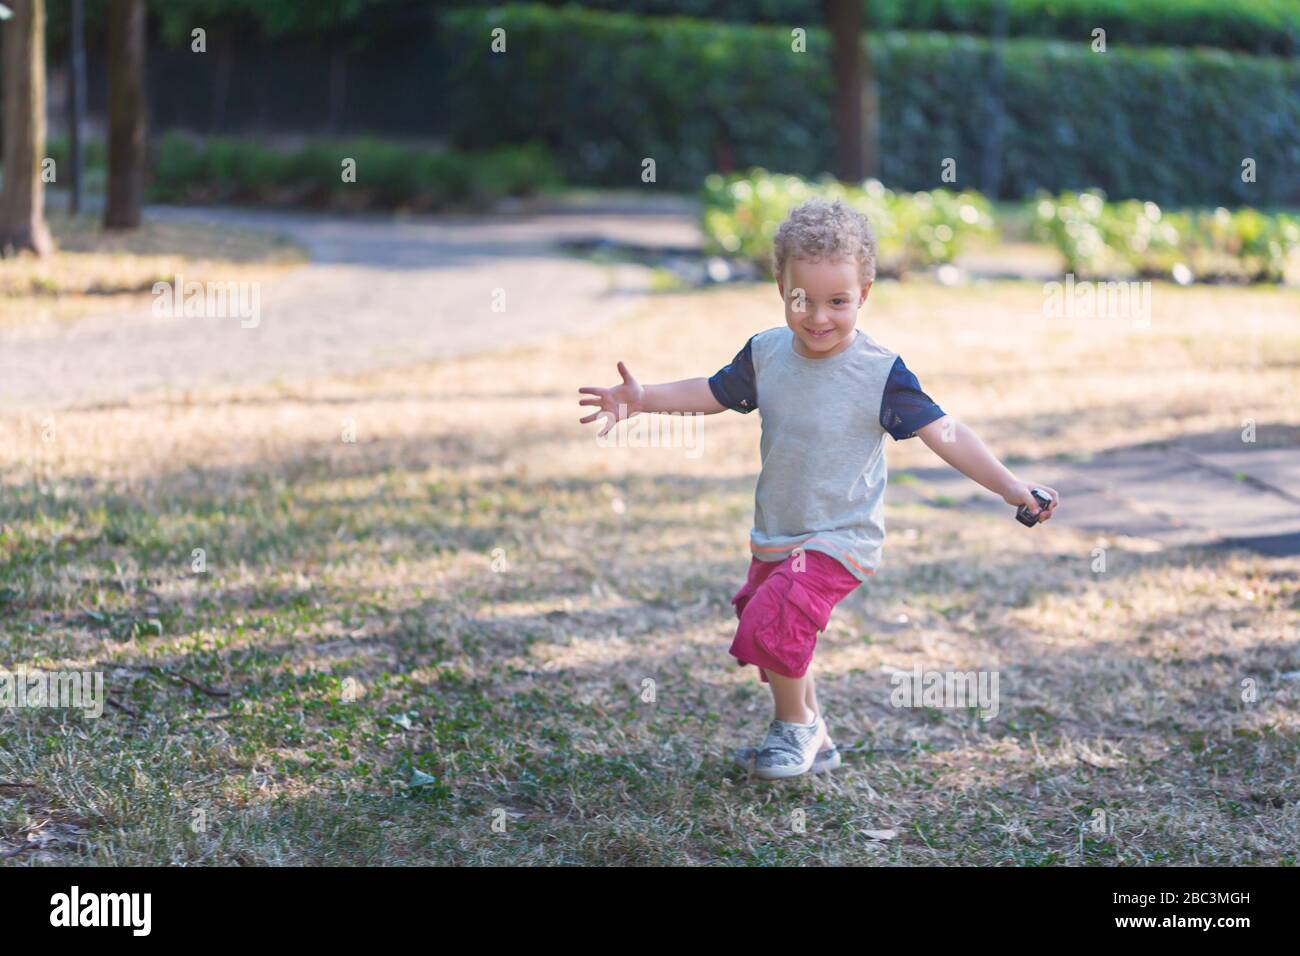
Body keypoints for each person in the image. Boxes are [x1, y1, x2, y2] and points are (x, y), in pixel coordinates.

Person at [578, 197, 1059, 780]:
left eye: (840, 301)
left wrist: (1011, 488)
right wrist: (644, 397)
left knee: (778, 619)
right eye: (802, 299)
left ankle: (794, 730)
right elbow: (713, 391)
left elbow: (946, 433)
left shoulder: (880, 372)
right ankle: (818, 737)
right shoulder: (766, 352)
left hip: (840, 537)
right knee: (764, 618)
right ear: (781, 286)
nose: (819, 317)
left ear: (866, 293)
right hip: (777, 530)